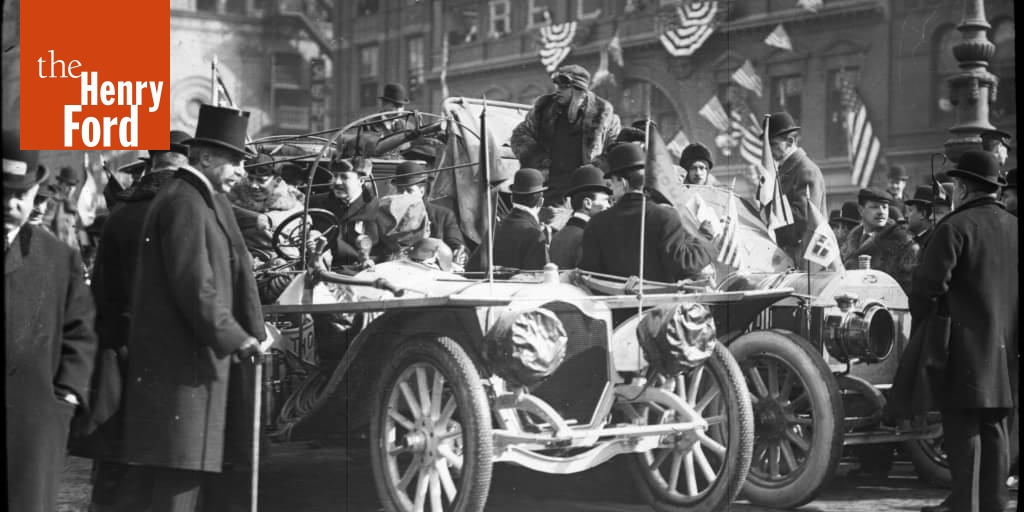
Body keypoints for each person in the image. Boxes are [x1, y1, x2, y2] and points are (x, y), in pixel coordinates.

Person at [118, 105, 267, 512]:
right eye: (235, 160)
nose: (241, 171)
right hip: (184, 373)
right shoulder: (185, 202)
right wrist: (239, 338)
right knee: (177, 485)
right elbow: (194, 288)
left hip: (195, 369)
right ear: (204, 157)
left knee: (183, 479)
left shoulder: (203, 198)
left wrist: (257, 330)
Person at [69, 130, 192, 511]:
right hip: (163, 353)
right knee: (156, 461)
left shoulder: (123, 208)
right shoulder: (179, 207)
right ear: (181, 161)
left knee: (117, 459)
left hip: (117, 347)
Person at [911, 150, 1018, 512]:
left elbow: (928, 287)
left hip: (964, 345)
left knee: (963, 427)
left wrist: (925, 319)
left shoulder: (955, 227)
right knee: (996, 426)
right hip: (1006, 345)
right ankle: (994, 501)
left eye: (955, 185)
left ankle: (965, 504)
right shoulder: (1014, 226)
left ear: (963, 187)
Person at [4, 130, 98, 512]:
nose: (10, 204)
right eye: (2, 193)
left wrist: (66, 394)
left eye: (20, 195)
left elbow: (81, 331)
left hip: (33, 423)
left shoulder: (58, 259)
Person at [580, 143, 716, 286]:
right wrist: (705, 238)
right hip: (659, 305)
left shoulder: (596, 223)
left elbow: (590, 275)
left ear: (622, 181)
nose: (611, 189)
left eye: (611, 182)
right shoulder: (666, 217)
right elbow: (685, 265)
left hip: (614, 307)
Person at [511, 64, 621, 205]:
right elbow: (520, 136)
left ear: (578, 90)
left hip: (586, 191)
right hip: (549, 190)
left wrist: (596, 169)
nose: (557, 91)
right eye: (557, 86)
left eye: (563, 87)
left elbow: (614, 147)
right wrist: (539, 162)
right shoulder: (544, 108)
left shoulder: (602, 112)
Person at [762, 112, 827, 256]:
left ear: (790, 142)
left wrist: (766, 221)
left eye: (772, 144)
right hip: (790, 254)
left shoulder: (805, 170)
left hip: (805, 256)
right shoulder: (786, 170)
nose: (768, 150)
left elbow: (802, 220)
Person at [468, 168, 551, 271]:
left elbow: (472, 268)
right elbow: (539, 278)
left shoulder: (495, 228)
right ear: (540, 202)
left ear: (512, 199)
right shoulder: (535, 235)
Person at [840, 188, 919, 291]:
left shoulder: (901, 240)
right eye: (875, 207)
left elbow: (908, 285)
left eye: (885, 207)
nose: (881, 212)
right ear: (861, 210)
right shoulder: (851, 239)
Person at [309, 157, 380, 269]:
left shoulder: (374, 206)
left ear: (361, 181)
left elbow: (380, 249)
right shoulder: (315, 203)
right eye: (335, 176)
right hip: (321, 269)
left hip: (359, 271)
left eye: (344, 177)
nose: (337, 182)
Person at [391, 160, 465, 256]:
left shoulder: (443, 215)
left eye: (409, 191)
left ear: (421, 191)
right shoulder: (389, 214)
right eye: (400, 191)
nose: (404, 195)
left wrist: (459, 253)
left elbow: (456, 245)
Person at [548, 164, 612, 269]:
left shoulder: (558, 235)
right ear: (587, 203)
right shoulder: (588, 237)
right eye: (605, 200)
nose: (608, 206)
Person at [904, 184, 952, 252]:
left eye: (910, 210)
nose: (906, 215)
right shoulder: (918, 240)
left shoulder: (929, 243)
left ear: (923, 214)